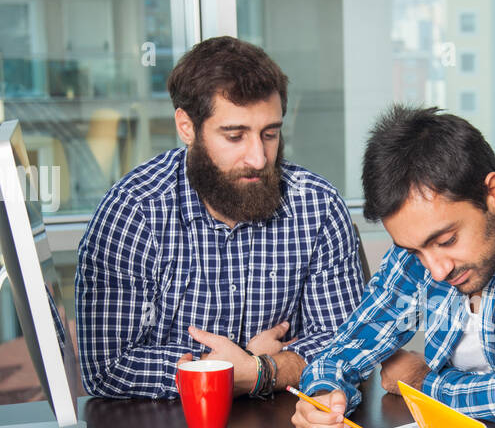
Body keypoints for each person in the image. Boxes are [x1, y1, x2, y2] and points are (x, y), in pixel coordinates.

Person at [75, 37, 365, 399]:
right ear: (187, 127)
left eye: (270, 134)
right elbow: (107, 369)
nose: (258, 158)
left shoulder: (317, 205)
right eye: (235, 136)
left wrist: (264, 370)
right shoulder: (135, 211)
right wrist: (235, 367)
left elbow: (349, 347)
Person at [292, 106, 495, 428]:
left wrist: (422, 381)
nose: (436, 269)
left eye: (447, 241)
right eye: (414, 251)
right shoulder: (422, 237)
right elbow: (348, 346)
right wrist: (324, 395)